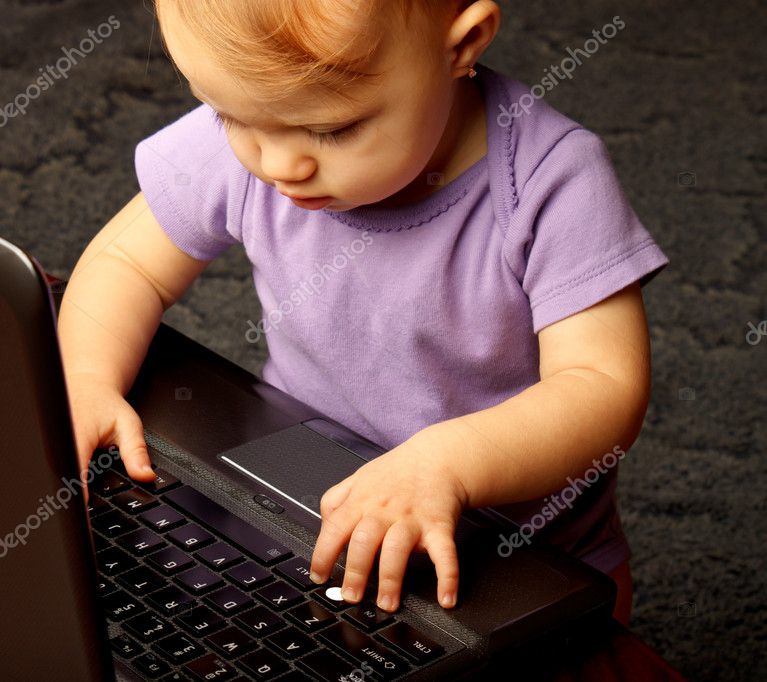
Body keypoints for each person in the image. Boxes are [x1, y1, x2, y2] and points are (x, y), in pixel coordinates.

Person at [56, 0, 669, 627]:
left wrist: (448, 464)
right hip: (305, 491)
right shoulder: (271, 121)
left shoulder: (549, 180)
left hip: (512, 552)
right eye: (228, 115)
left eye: (334, 129)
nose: (278, 165)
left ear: (462, 46)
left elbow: (603, 387)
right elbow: (126, 264)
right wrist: (86, 380)